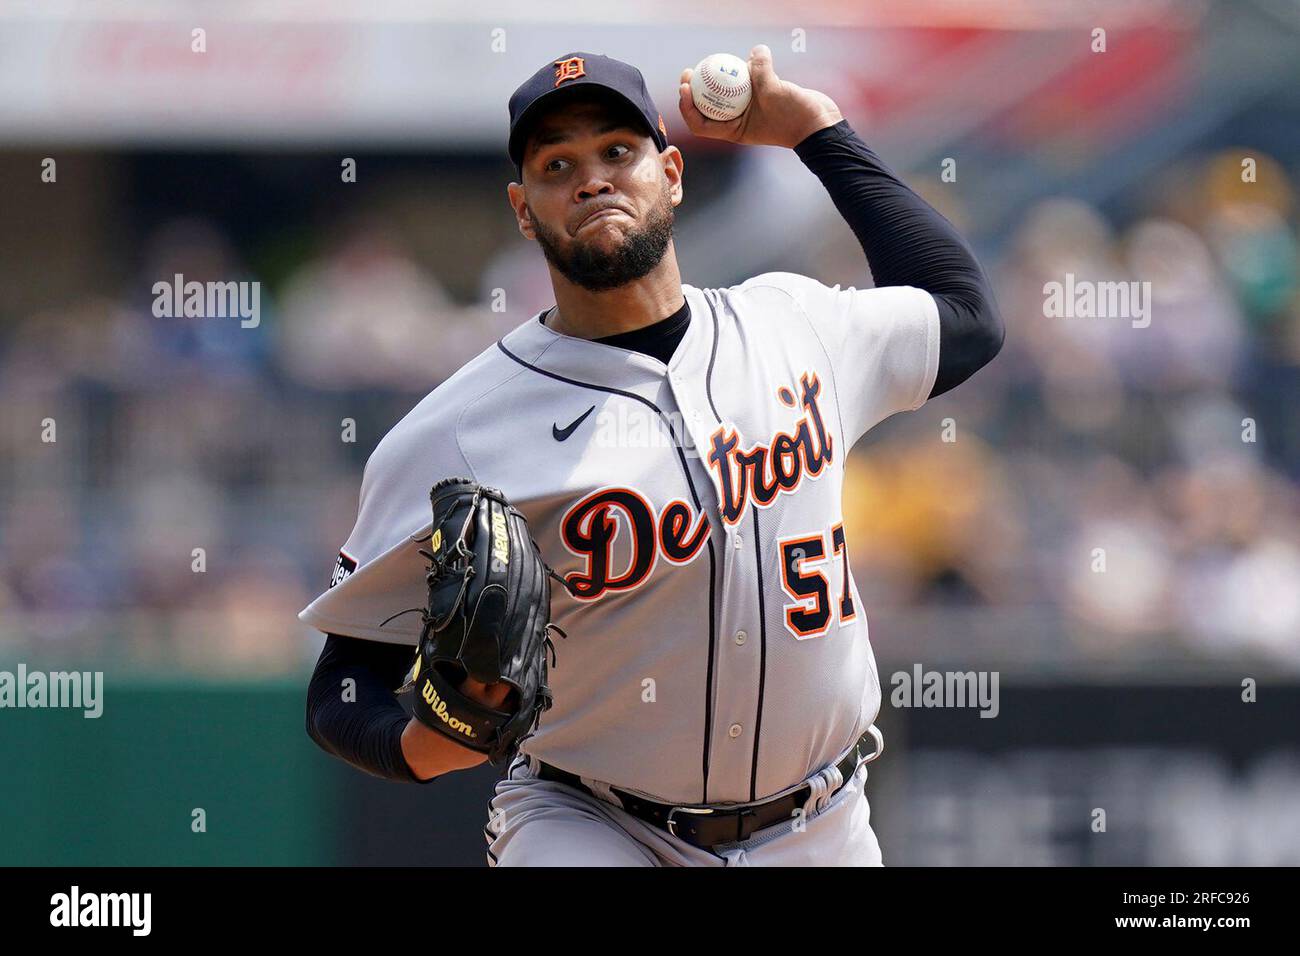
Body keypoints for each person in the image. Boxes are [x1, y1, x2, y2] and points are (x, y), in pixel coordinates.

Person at [302, 46, 1003, 866]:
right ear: (524, 211)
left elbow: (965, 315)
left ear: (671, 173)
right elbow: (341, 683)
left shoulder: (794, 326)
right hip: (590, 822)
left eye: (617, 151)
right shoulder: (454, 432)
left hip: (825, 824)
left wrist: (818, 132)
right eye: (557, 164)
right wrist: (425, 748)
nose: (592, 178)